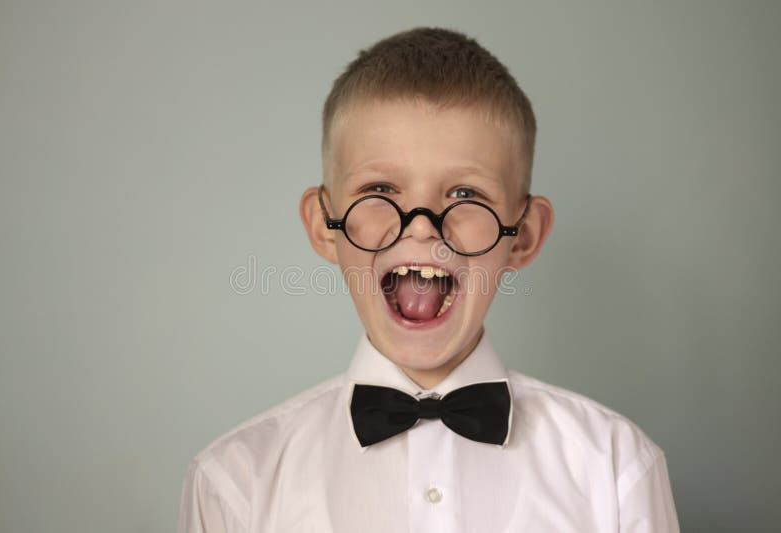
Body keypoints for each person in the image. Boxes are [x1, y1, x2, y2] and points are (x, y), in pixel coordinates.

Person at [176, 27, 680, 532]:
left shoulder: (616, 470)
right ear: (324, 227)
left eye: (464, 195)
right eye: (379, 188)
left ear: (522, 236)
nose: (420, 226)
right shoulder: (234, 487)